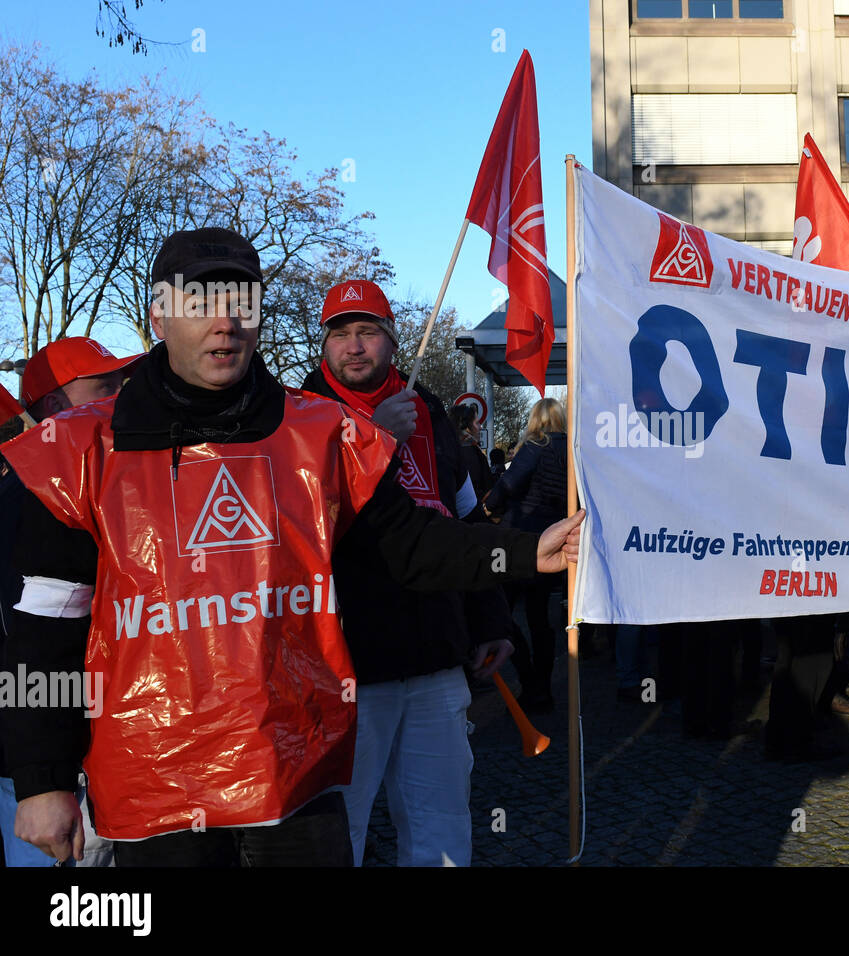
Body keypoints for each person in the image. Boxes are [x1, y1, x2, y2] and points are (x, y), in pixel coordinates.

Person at [0, 228, 582, 866]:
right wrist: (41, 778)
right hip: (157, 793)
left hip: (296, 780)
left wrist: (527, 551)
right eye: (200, 302)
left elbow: (414, 543)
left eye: (241, 301)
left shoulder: (324, 433)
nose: (224, 322)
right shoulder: (78, 453)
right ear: (159, 315)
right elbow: (42, 632)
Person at [301, 279, 513, 866]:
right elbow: (302, 527)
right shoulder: (299, 414)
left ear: (392, 341)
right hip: (346, 668)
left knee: (440, 822)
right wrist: (377, 442)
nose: (354, 346)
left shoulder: (432, 410)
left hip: (435, 653)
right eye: (339, 334)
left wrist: (491, 618)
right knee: (338, 832)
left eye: (367, 331)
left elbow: (465, 519)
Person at [0, 338, 141, 867]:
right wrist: (44, 774)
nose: (121, 396)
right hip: (59, 758)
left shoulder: (96, 475)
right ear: (55, 408)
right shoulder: (34, 495)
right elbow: (29, 640)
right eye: (104, 387)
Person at [483, 397, 568, 712]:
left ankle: (530, 681)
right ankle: (543, 688)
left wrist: (490, 508)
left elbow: (506, 486)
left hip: (519, 540)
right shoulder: (572, 452)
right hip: (553, 540)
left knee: (503, 614)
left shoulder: (534, 447)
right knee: (539, 618)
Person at [449, 403, 494, 503]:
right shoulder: (468, 450)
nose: (480, 427)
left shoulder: (453, 447)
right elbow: (475, 486)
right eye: (477, 423)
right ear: (465, 426)